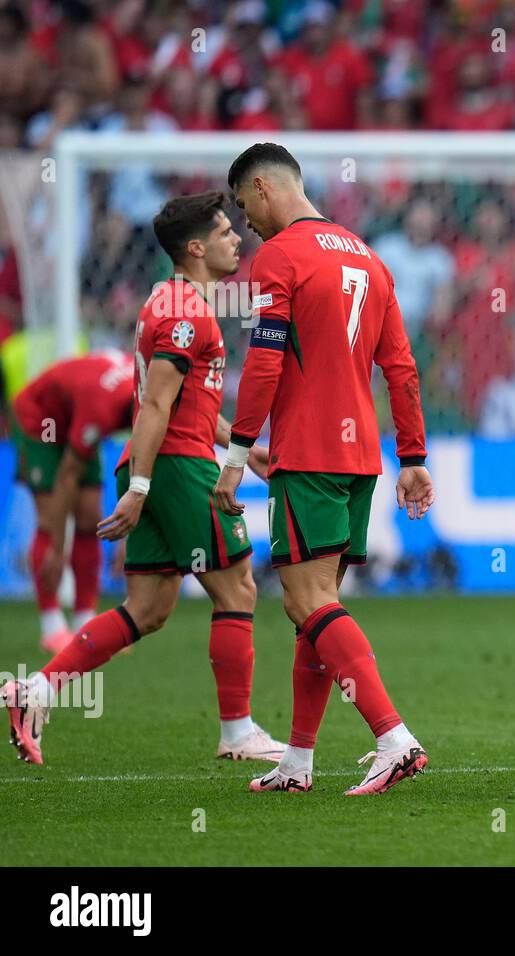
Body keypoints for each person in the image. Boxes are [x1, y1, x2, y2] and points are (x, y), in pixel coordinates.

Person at [3, 192, 285, 766]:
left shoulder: (171, 299)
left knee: (149, 608)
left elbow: (185, 403)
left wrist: (238, 446)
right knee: (238, 589)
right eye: (227, 232)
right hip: (177, 469)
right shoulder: (185, 311)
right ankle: (238, 732)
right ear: (197, 247)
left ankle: (35, 691)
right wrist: (141, 488)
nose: (238, 239)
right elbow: (154, 406)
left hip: (164, 461)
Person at [215, 143, 436, 796]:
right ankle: (298, 761)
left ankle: (393, 737)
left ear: (262, 186)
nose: (245, 221)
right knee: (316, 608)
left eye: (242, 204)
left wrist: (236, 452)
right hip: (362, 456)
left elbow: (264, 361)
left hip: (308, 452)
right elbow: (401, 367)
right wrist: (414, 457)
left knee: (305, 600)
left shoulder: (280, 255)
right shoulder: (370, 257)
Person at [10, 351, 133, 653]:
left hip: (76, 416)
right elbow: (67, 476)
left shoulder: (151, 390)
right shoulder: (102, 409)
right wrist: (57, 545)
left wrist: (129, 536)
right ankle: (51, 626)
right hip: (43, 419)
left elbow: (143, 466)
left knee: (90, 518)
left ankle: (85, 623)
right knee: (50, 517)